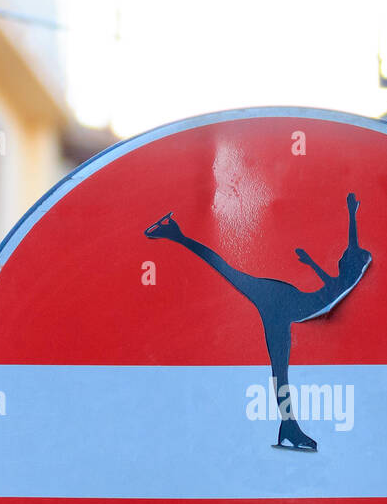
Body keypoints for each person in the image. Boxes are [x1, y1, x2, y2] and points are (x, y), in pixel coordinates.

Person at [145, 193, 371, 450]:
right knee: (229, 272)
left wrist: (349, 217)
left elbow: (333, 284)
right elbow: (339, 274)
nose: (345, 258)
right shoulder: (353, 270)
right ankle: (177, 235)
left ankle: (289, 427)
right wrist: (351, 214)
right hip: (283, 302)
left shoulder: (348, 274)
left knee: (280, 370)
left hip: (286, 305)